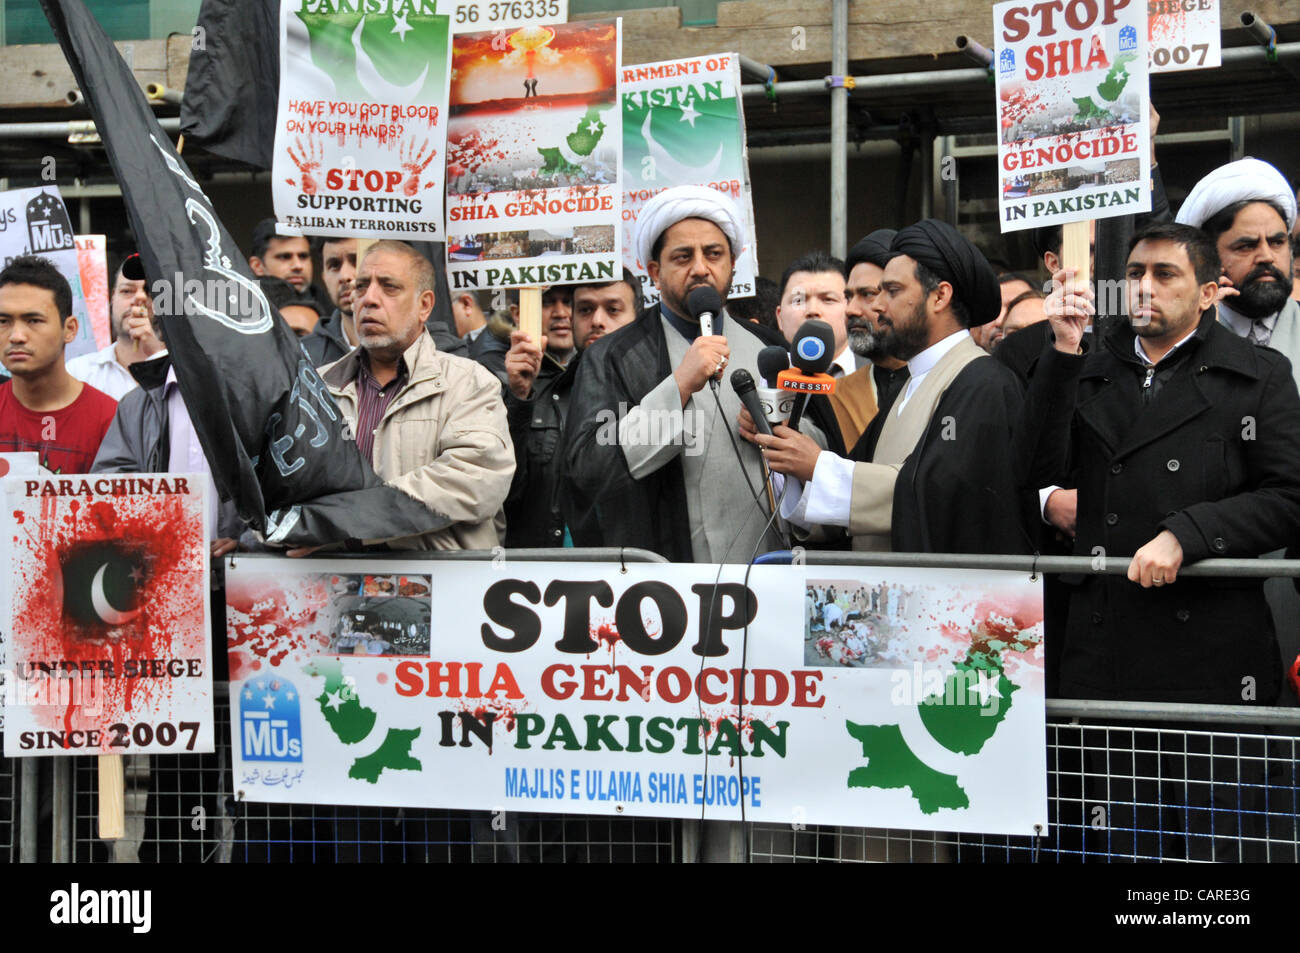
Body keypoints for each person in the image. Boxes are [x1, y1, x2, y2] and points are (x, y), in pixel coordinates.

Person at [1027, 222, 1300, 860]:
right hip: (1104, 652)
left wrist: (1188, 533)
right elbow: (1035, 471)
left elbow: (1289, 497)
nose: (1143, 288)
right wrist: (1063, 353)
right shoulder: (1088, 365)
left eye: (1164, 275)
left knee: (1214, 853)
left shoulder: (1258, 375)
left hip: (1211, 661)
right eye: (1133, 275)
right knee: (1117, 844)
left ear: (1208, 293)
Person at [743, 219, 1032, 556]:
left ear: (940, 296)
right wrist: (790, 454)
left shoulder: (983, 383)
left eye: (892, 291)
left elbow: (944, 497)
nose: (877, 306)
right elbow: (852, 506)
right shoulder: (911, 384)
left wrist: (819, 467)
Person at [563, 184, 792, 561]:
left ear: (733, 263)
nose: (700, 268)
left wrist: (780, 429)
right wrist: (679, 385)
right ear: (655, 271)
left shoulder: (771, 348)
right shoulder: (613, 357)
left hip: (766, 569)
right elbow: (591, 468)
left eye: (714, 254)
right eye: (683, 257)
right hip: (667, 584)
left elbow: (816, 446)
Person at [316, 240, 514, 550]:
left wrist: (342, 520)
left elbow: (471, 482)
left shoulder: (470, 383)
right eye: (362, 287)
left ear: (424, 305)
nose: (369, 299)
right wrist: (256, 538)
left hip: (439, 591)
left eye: (389, 287)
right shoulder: (316, 387)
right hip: (332, 589)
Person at [502, 271, 639, 547]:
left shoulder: (660, 391)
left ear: (638, 317)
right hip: (547, 575)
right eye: (586, 310)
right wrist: (519, 398)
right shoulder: (534, 393)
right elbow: (504, 491)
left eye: (613, 310)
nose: (597, 321)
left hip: (630, 575)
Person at [1175, 157, 1299, 390]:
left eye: (1276, 242)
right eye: (1246, 246)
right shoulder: (1172, 342)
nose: (1266, 256)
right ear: (1207, 258)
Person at [0, 255, 117, 474]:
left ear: (70, 329)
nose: (16, 336)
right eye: (3, 321)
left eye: (33, 320)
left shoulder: (110, 420)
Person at [837, 229, 910, 449]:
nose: (850, 309)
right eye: (848, 297)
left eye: (867, 294)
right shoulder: (835, 396)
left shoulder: (948, 385)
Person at [65, 252, 165, 400]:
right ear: (112, 297)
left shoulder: (181, 373)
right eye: (127, 291)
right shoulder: (78, 373)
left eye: (149, 291)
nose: (139, 298)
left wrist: (159, 357)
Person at [303, 236, 358, 366]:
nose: (345, 276)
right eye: (334, 265)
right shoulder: (303, 355)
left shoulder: (413, 348)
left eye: (356, 261)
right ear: (324, 277)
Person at [248, 218, 313, 294]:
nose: (298, 266)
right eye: (285, 257)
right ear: (257, 266)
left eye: (303, 256)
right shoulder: (242, 303)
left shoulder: (326, 302)